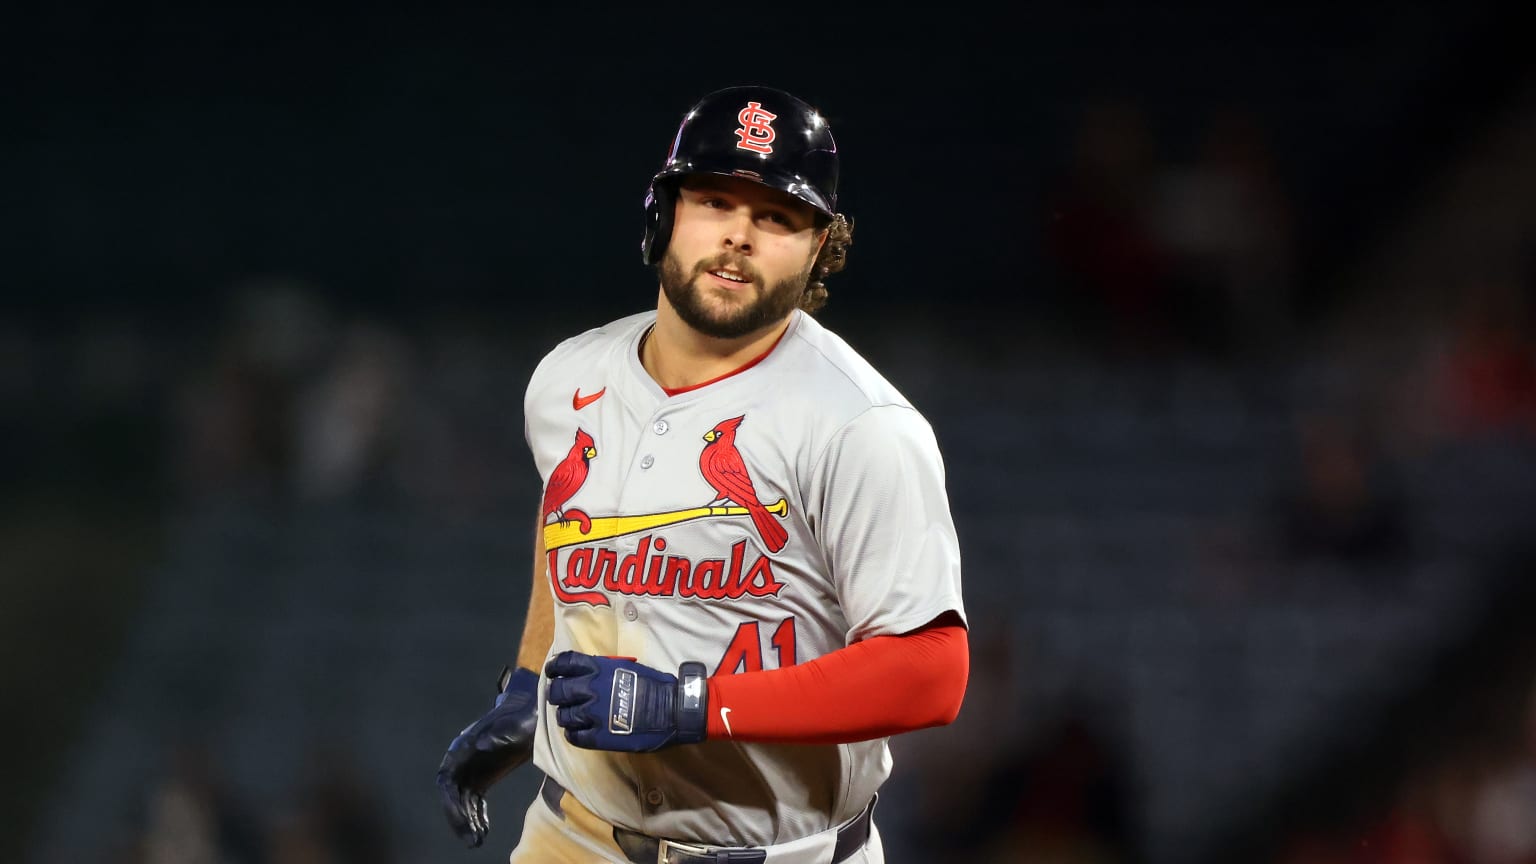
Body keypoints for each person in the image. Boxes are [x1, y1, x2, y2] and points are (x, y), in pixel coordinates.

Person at [436, 84, 969, 864]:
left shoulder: (863, 428)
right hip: (571, 836)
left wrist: (693, 705)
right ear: (665, 213)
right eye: (715, 201)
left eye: (777, 217)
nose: (739, 237)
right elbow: (569, 530)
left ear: (820, 247)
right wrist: (525, 686)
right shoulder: (568, 379)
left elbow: (931, 674)